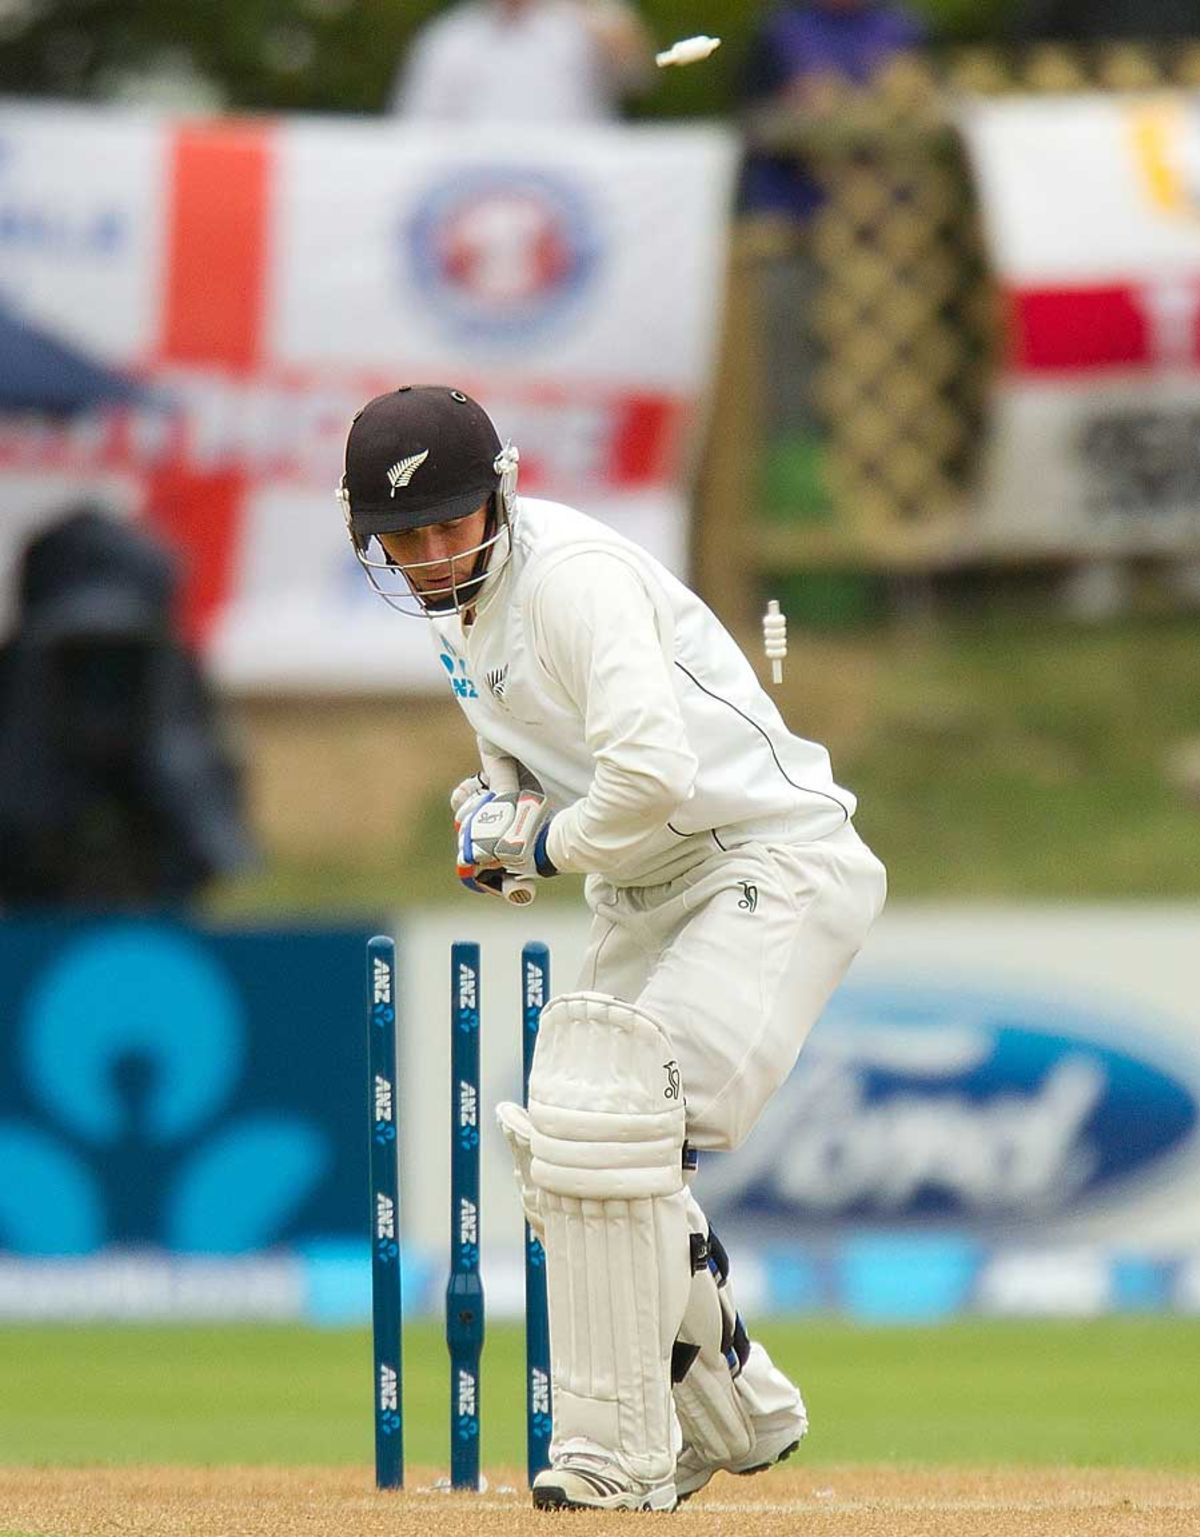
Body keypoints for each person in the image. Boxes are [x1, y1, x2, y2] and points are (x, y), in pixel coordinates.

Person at [338, 386, 887, 1510]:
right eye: (407, 540)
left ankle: (615, 1454)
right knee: (565, 1152)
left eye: (452, 527)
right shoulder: (458, 615)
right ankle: (736, 1411)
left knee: (611, 1123)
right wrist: (496, 818)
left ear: (500, 493)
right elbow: (523, 752)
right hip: (645, 885)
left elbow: (653, 775)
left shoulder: (573, 582)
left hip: (763, 857)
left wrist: (541, 844)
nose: (437, 559)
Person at [0, 504, 255, 908]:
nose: (103, 682)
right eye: (76, 662)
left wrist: (175, 776)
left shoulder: (174, 693)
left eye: (124, 662)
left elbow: (215, 849)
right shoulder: (23, 702)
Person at [392, 0, 653, 123]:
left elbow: (639, 77)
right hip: (486, 187)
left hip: (582, 184)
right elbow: (418, 124)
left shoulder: (584, 22)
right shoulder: (451, 40)